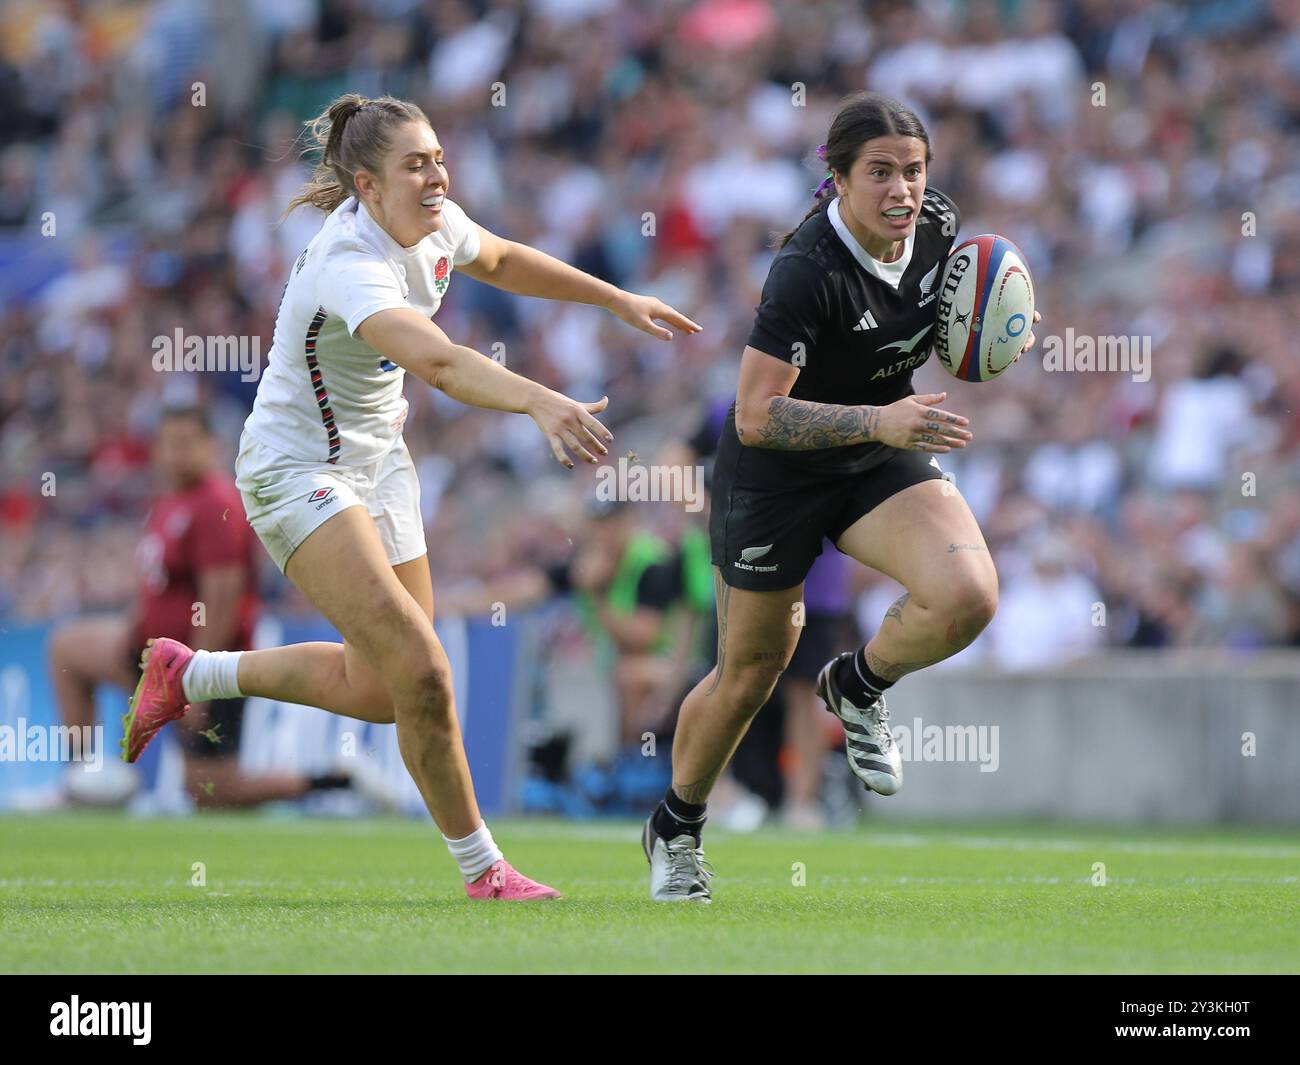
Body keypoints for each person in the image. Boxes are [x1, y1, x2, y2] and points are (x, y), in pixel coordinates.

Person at [120, 93, 700, 901]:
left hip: (378, 462)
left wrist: (614, 298)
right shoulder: (347, 263)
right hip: (296, 470)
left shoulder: (430, 220)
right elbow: (440, 362)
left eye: (438, 158)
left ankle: (193, 675)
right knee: (425, 667)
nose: (436, 175)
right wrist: (538, 398)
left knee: (386, 688)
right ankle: (484, 869)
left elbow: (497, 258)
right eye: (415, 164)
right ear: (367, 184)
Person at [641, 91, 1039, 902]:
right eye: (882, 174)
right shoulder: (804, 271)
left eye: (915, 172)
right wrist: (876, 419)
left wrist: (991, 330)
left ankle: (857, 684)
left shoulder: (936, 228)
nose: (903, 191)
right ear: (839, 179)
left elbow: (940, 325)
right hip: (774, 471)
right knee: (751, 670)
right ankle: (676, 826)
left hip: (873, 449)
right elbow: (754, 415)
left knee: (967, 594)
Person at [50, 407, 372, 809]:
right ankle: (83, 781)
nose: (176, 453)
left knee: (211, 792)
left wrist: (198, 681)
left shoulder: (215, 504)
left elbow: (222, 597)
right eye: (169, 444)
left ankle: (339, 781)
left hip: (197, 665)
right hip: (150, 653)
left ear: (210, 447)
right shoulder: (171, 499)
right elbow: (161, 583)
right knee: (69, 649)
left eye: (187, 443)